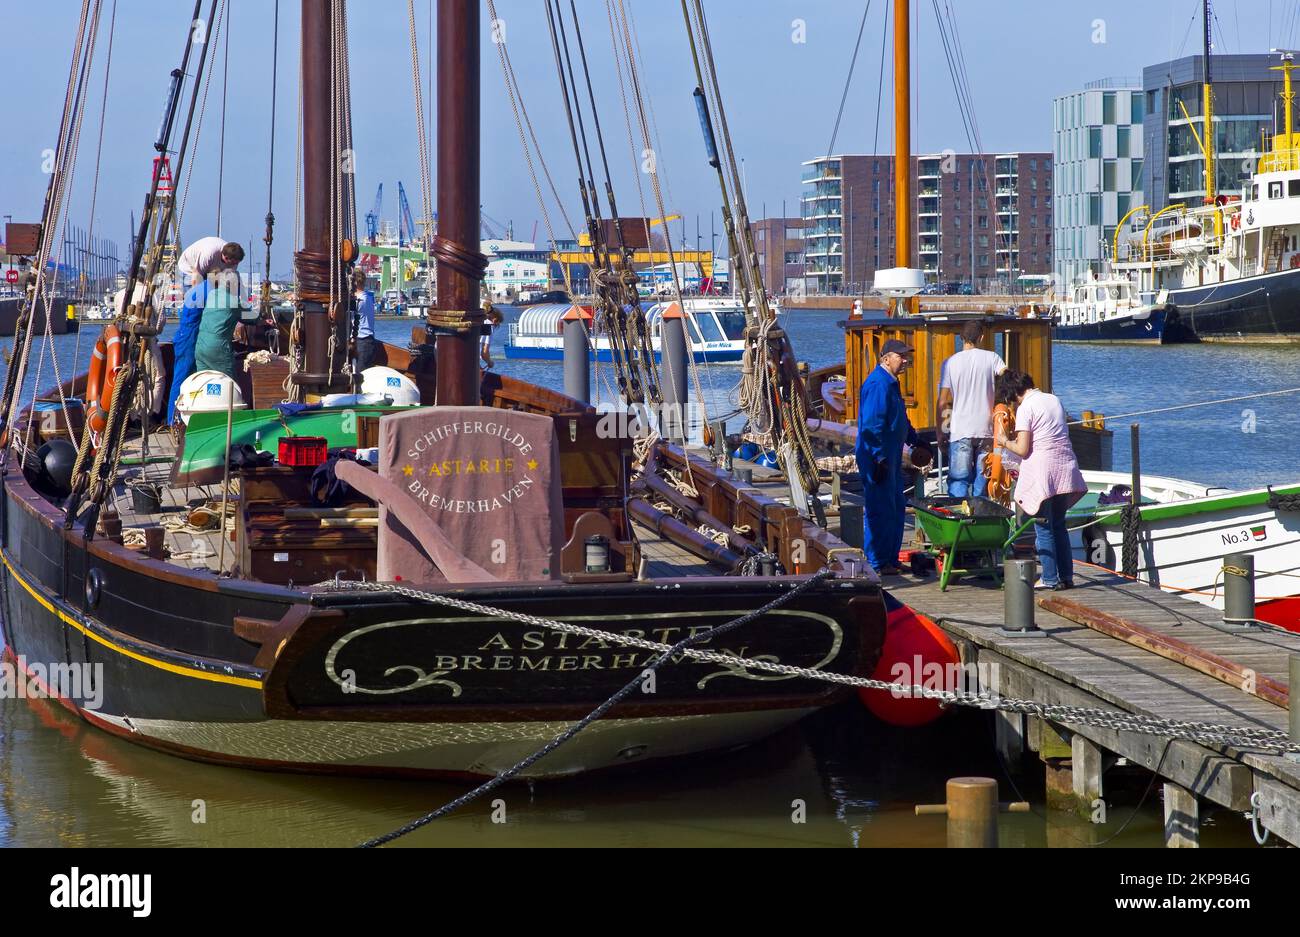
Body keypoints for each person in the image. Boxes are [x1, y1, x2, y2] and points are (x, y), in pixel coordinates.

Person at [994, 369, 1086, 590]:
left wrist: (1004, 441)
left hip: (1044, 473)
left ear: (1014, 393)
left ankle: (1049, 578)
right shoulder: (1053, 400)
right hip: (1065, 467)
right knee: (1059, 525)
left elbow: (1023, 449)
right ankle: (1066, 577)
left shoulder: (1027, 407)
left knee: (1043, 527)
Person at [855, 338, 918, 576]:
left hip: (890, 456)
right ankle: (877, 561)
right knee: (880, 509)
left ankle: (890, 558)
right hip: (877, 457)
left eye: (906, 356)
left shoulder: (891, 382)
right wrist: (879, 458)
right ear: (885, 358)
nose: (905, 360)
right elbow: (872, 426)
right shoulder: (878, 385)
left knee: (895, 506)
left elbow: (898, 416)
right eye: (900, 356)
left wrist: (914, 438)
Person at [937, 319, 1006, 498]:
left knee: (958, 481)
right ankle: (981, 518)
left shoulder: (950, 363)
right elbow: (1007, 376)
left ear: (961, 338)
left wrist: (941, 431)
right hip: (986, 430)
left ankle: (959, 519)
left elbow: (943, 402)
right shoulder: (992, 358)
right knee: (983, 481)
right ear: (981, 337)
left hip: (960, 430)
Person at [165, 278, 210, 424]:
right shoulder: (209, 290)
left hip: (185, 336)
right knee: (181, 377)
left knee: (182, 377)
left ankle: (175, 419)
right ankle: (172, 420)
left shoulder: (196, 290)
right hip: (190, 338)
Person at [194, 283, 246, 379]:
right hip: (218, 348)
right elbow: (250, 316)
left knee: (204, 383)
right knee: (229, 383)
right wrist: (263, 319)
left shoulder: (212, 294)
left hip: (201, 346)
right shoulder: (233, 300)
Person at [177, 237, 244, 288]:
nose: (235, 265)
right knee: (195, 297)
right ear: (226, 258)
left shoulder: (234, 257)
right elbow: (197, 275)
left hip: (210, 271)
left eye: (237, 263)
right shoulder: (209, 254)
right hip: (189, 267)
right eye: (233, 263)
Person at [352, 269, 377, 373]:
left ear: (355, 283)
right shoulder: (367, 297)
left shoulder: (360, 300)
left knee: (360, 376)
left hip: (363, 342)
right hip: (365, 341)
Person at [480, 304, 503, 369]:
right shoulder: (489, 326)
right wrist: (490, 362)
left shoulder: (481, 320)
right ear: (495, 319)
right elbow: (484, 352)